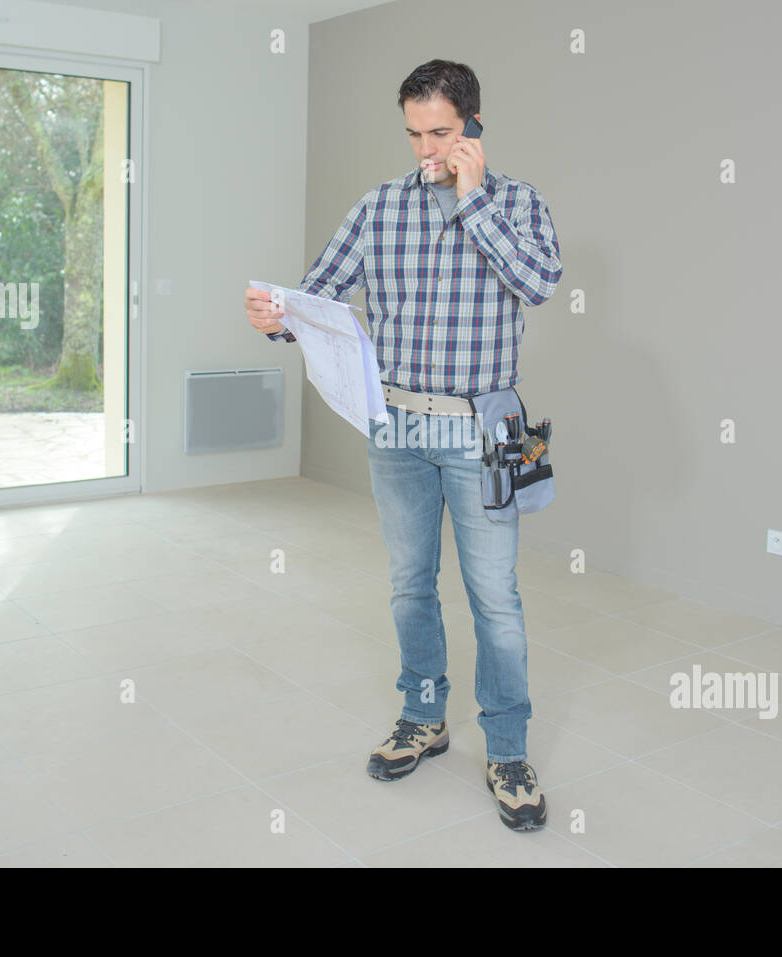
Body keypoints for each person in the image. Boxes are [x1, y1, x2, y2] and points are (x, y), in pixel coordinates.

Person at [243, 59, 562, 831]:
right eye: (416, 134)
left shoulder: (518, 204)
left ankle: (509, 747)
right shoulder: (380, 207)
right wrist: (279, 317)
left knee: (497, 597)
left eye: (442, 133)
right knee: (410, 582)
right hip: (398, 425)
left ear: (474, 126)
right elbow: (320, 296)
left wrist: (474, 200)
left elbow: (539, 283)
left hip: (488, 426)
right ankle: (423, 715)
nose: (426, 150)